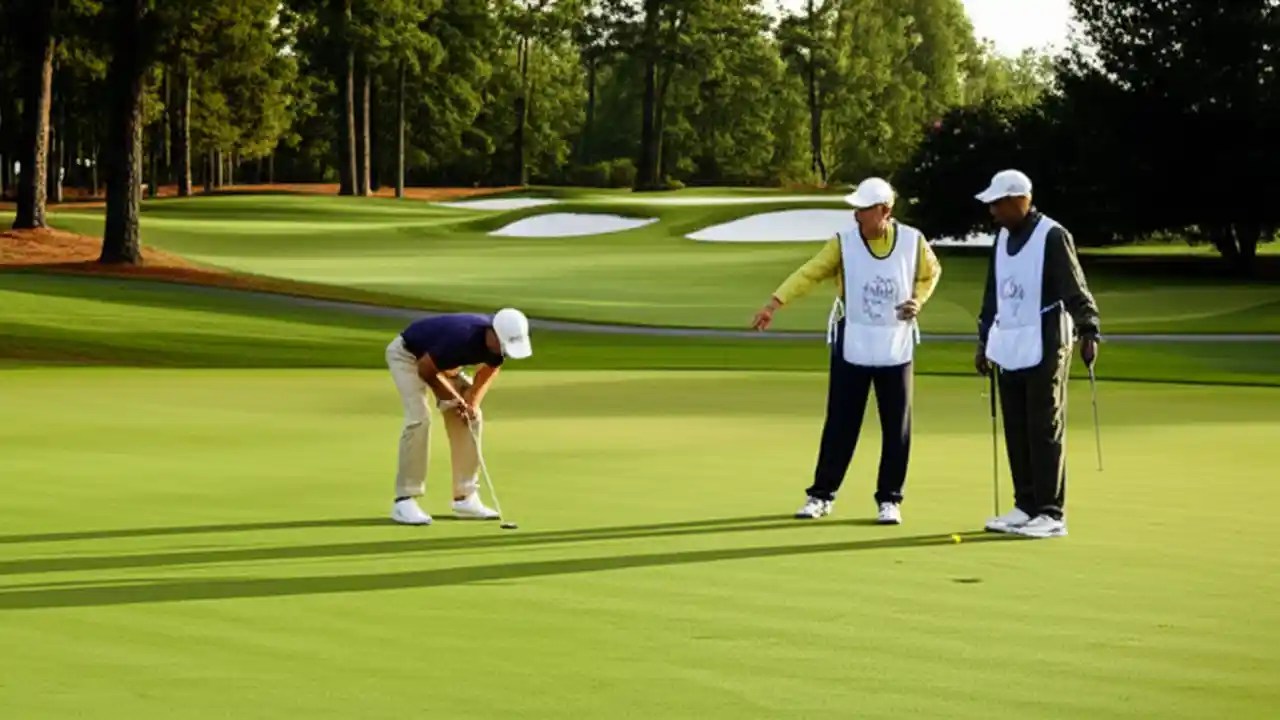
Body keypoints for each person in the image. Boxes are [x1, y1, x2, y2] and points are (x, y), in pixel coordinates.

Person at [752, 177, 942, 524]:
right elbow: (809, 273)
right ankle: (821, 495)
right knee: (840, 424)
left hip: (895, 344)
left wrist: (918, 299)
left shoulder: (914, 242)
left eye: (864, 210)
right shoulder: (843, 244)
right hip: (851, 341)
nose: (857, 216)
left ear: (885, 211)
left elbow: (931, 274)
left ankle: (890, 500)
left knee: (896, 427)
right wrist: (774, 303)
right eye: (856, 209)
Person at [973, 169, 1100, 539]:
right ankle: (1025, 504)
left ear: (1020, 201)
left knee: (1043, 426)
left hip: (1046, 341)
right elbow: (992, 294)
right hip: (1008, 342)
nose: (993, 211)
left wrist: (1089, 328)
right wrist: (984, 341)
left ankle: (1050, 511)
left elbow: (1076, 287)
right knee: (1016, 426)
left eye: (998, 203)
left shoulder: (1053, 236)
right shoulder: (1001, 239)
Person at [385, 308, 533, 525]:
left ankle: (465, 498)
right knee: (419, 418)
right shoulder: (462, 336)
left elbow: (488, 371)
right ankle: (404, 500)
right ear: (493, 333)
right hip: (408, 355)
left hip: (443, 364)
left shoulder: (497, 345)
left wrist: (471, 402)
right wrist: (455, 399)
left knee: (472, 417)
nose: (504, 352)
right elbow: (426, 370)